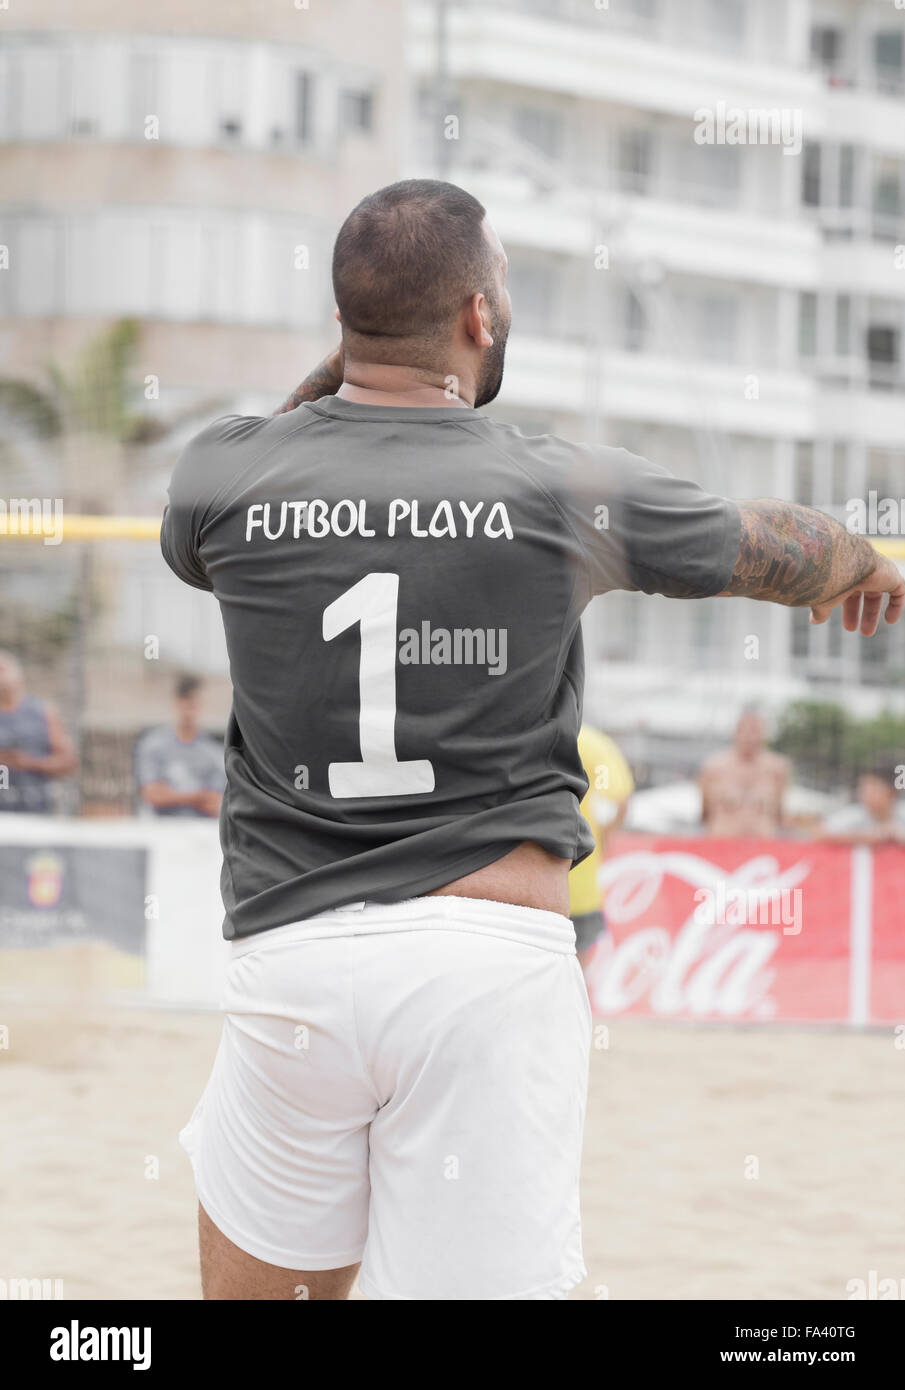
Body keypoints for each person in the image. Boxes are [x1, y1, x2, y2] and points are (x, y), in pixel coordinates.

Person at [160, 179, 904, 1302]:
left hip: (291, 959)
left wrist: (351, 357)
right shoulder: (554, 486)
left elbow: (280, 445)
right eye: (497, 290)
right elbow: (765, 546)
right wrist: (860, 557)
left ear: (342, 321)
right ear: (477, 317)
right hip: (478, 966)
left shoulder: (221, 472)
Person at [568, 723, 634, 974]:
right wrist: (602, 838)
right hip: (580, 874)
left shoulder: (530, 733)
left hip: (530, 876)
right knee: (576, 969)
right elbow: (620, 798)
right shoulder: (592, 743)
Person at [135, 675, 225, 818]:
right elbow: (152, 795)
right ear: (175, 703)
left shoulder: (213, 751)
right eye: (184, 703)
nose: (188, 711)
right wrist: (199, 797)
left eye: (193, 704)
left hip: (201, 832)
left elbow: (216, 802)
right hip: (161, 830)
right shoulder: (153, 744)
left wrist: (171, 794)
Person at [0, 650, 78, 814]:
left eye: (2, 669)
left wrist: (27, 762)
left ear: (18, 675)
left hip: (36, 809)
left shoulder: (41, 712)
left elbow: (68, 762)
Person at [698, 708, 790, 837]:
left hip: (763, 846)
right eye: (745, 730)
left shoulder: (777, 768)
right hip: (722, 844)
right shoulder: (713, 767)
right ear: (736, 732)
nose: (750, 737)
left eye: (755, 730)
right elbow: (704, 814)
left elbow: (780, 815)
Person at [820, 760, 905, 844]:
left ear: (892, 793)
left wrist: (896, 834)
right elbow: (821, 832)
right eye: (863, 788)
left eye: (873, 790)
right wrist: (867, 837)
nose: (865, 794)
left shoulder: (901, 812)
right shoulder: (855, 813)